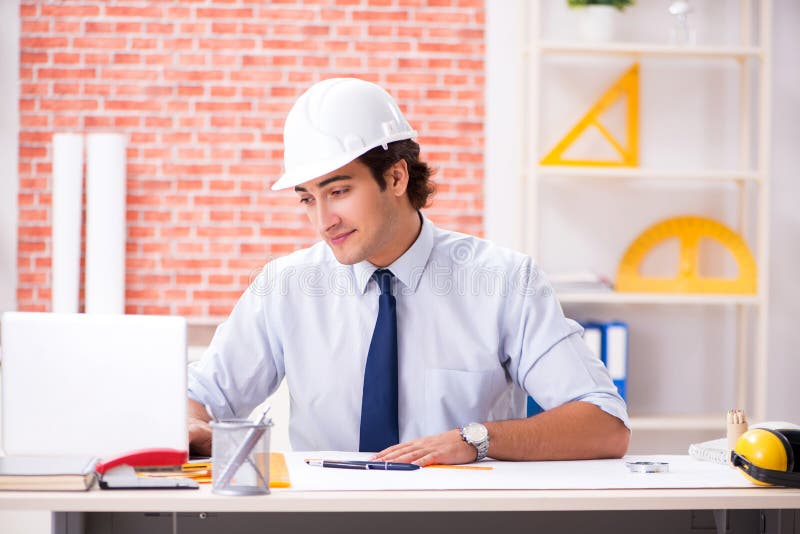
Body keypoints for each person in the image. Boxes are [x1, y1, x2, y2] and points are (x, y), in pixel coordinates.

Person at [187, 77, 629, 465]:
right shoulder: (284, 288)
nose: (323, 221)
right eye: (307, 198)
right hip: (326, 520)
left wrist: (474, 440)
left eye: (338, 191)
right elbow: (200, 400)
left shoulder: (503, 281)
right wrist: (191, 427)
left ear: (397, 178)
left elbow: (604, 424)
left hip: (458, 519)